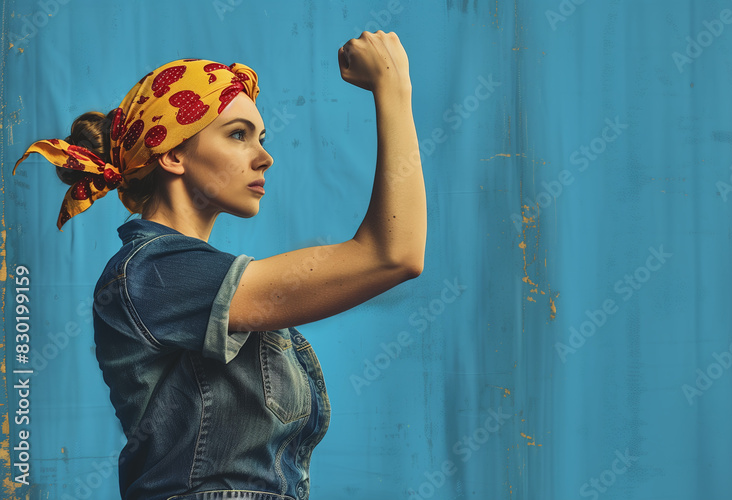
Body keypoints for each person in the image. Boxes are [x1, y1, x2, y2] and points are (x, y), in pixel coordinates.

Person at [12, 31, 424, 500]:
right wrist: (393, 88)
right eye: (237, 135)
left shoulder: (195, 275)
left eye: (260, 137)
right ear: (171, 152)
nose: (265, 157)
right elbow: (392, 254)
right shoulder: (155, 272)